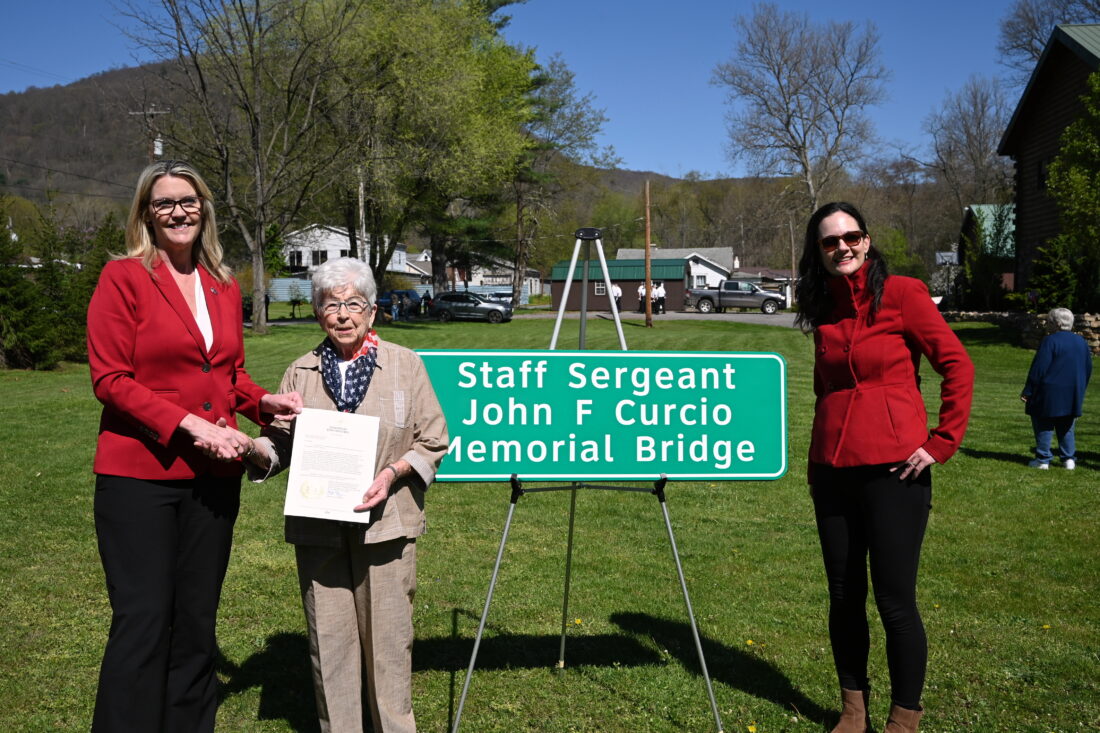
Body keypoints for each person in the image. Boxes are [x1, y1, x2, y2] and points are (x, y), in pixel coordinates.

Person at [86, 159, 303, 732]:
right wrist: (190, 425)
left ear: (203, 208)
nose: (178, 211)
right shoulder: (124, 278)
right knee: (144, 620)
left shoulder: (224, 283)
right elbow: (110, 379)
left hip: (212, 482)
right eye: (164, 204)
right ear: (146, 215)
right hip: (140, 478)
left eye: (188, 201)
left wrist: (263, 405)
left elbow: (228, 376)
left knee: (196, 621)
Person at [247, 257, 448, 733]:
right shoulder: (300, 371)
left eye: (353, 304)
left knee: (388, 644)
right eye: (330, 304)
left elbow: (433, 440)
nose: (342, 314)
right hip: (319, 530)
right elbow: (280, 444)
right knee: (331, 644)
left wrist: (394, 473)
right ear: (318, 313)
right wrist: (250, 448)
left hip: (387, 526)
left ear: (372, 311)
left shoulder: (406, 364)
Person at [795, 202, 974, 733]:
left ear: (867, 241)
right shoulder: (823, 305)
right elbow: (825, 387)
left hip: (897, 471)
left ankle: (904, 716)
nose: (842, 247)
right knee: (844, 596)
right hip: (832, 472)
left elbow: (956, 365)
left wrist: (941, 442)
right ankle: (853, 710)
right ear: (819, 252)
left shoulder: (903, 294)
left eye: (851, 237)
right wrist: (816, 458)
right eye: (830, 242)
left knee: (895, 600)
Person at [1021, 307, 1092, 469]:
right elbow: (1087, 368)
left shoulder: (1050, 341)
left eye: (1050, 321)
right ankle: (1069, 459)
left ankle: (1042, 459)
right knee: (1067, 425)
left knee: (1043, 423)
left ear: (1058, 324)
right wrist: (1081, 388)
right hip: (1073, 390)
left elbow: (1039, 368)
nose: (1047, 324)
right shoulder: (1081, 342)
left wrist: (1028, 390)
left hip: (1048, 391)